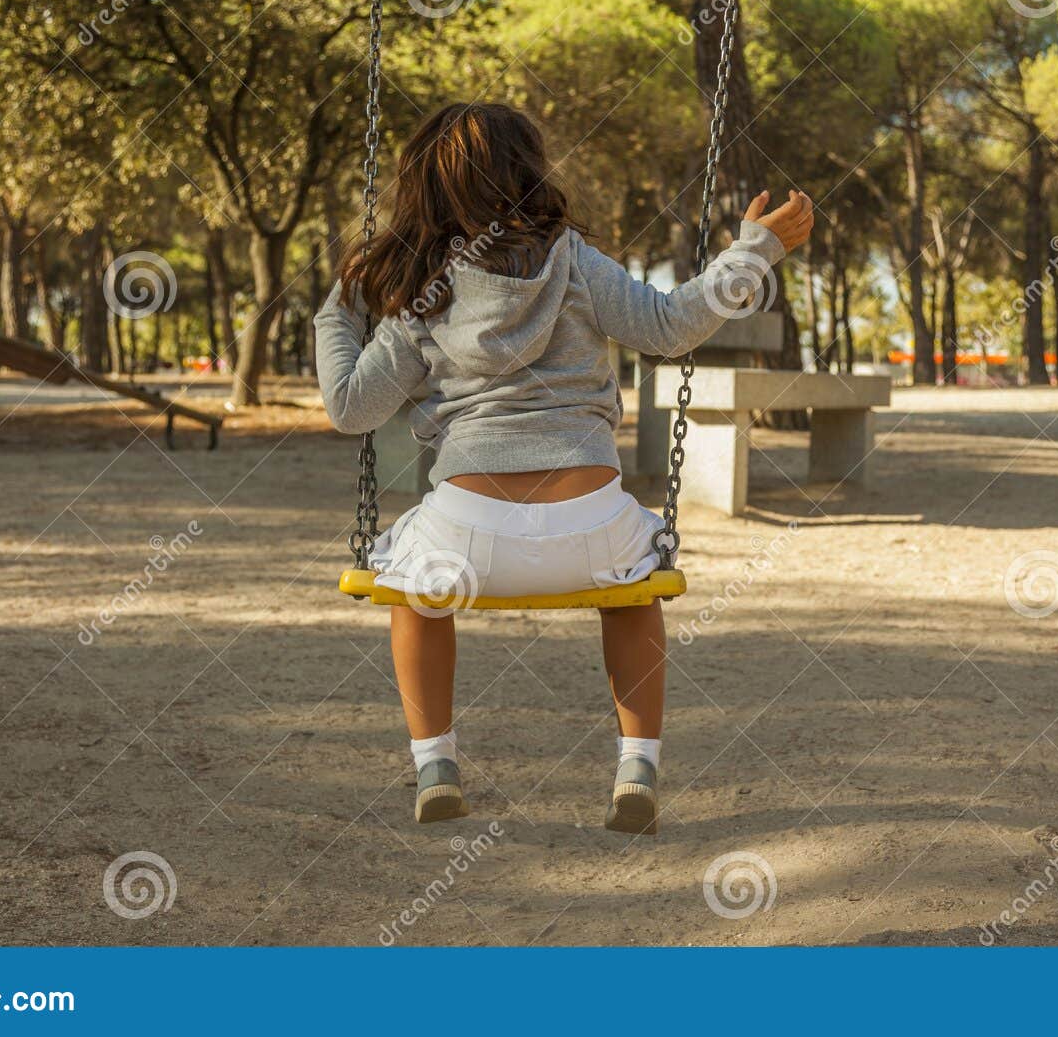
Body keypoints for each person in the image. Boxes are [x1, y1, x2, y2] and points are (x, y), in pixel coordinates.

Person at [315, 102, 814, 832]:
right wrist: (752, 253)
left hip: (467, 536)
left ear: (423, 188)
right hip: (591, 526)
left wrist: (339, 310)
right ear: (529, 171)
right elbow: (670, 326)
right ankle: (637, 767)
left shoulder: (422, 287)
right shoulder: (574, 260)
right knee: (636, 583)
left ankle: (436, 767)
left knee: (413, 589)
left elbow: (351, 408)